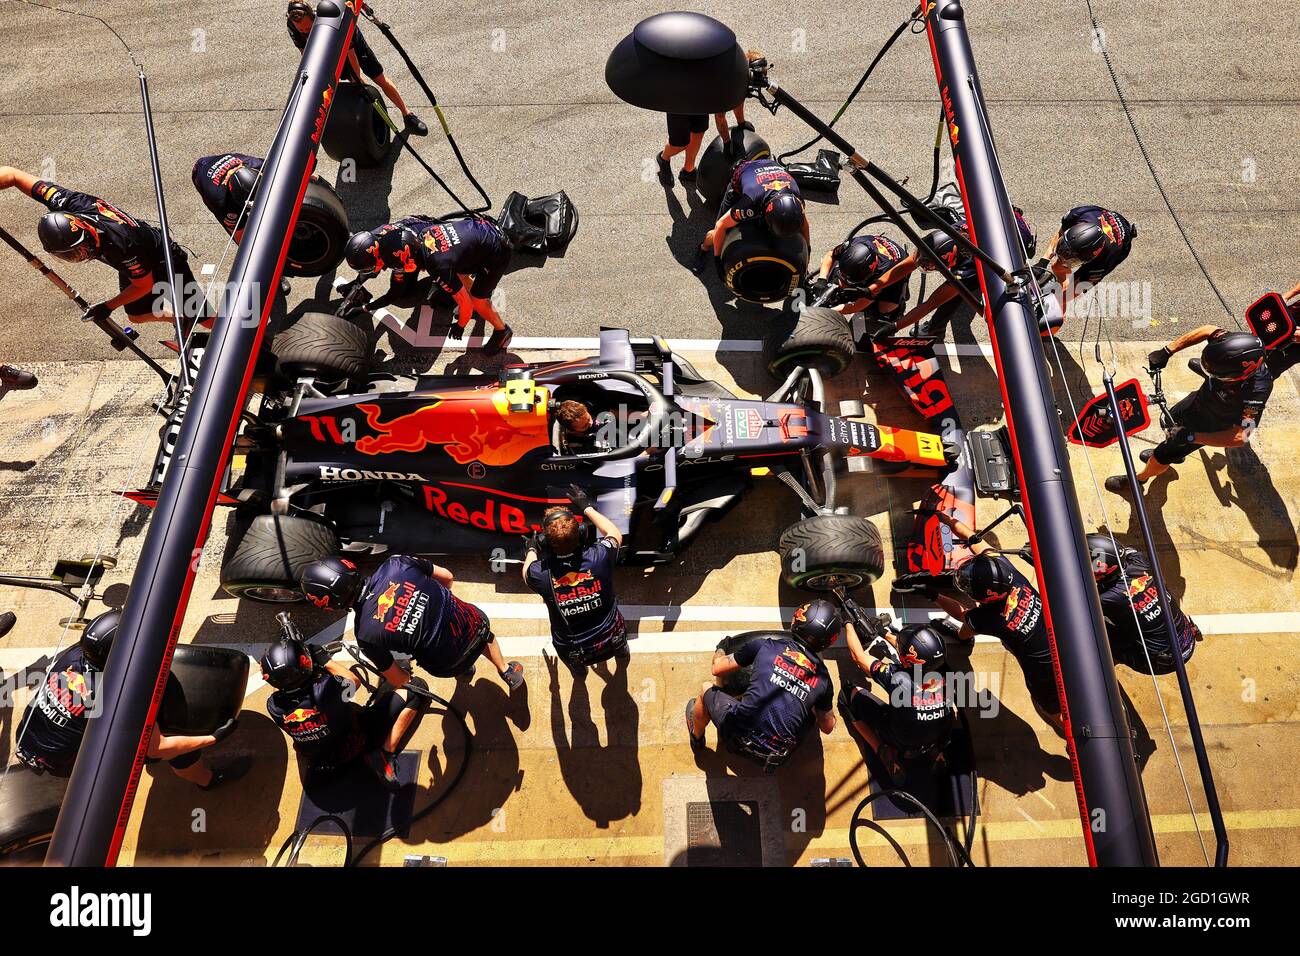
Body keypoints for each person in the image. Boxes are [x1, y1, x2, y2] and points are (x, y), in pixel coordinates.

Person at [15, 610, 248, 787]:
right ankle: (207, 780)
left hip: (31, 736)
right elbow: (157, 748)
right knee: (179, 746)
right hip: (68, 760)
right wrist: (212, 738)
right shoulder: (120, 695)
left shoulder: (76, 655)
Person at [0, 166, 210, 328]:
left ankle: (234, 337)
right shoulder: (68, 203)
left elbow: (143, 285)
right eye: (70, 255)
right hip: (132, 259)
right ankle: (181, 321)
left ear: (87, 230)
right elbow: (12, 175)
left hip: (161, 258)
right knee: (136, 316)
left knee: (202, 316)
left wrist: (108, 306)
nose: (80, 255)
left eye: (80, 249)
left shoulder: (123, 247)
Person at [300, 554, 525, 691]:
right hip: (474, 628)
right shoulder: (396, 564)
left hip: (447, 666)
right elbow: (447, 577)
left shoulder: (365, 636)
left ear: (330, 606)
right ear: (348, 566)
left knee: (439, 647)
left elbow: (401, 679)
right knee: (480, 629)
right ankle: (505, 670)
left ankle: (464, 671)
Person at [929, 513, 1065, 736]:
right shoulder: (1006, 570)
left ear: (987, 598)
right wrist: (947, 519)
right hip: (1059, 641)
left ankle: (1072, 736)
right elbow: (974, 539)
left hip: (1043, 670)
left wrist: (933, 595)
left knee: (1049, 706)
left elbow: (963, 615)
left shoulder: (992, 619)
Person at [262, 618, 427, 790]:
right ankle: (385, 754)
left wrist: (291, 672)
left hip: (322, 761)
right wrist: (321, 657)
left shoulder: (273, 706)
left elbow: (280, 687)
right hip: (354, 743)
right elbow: (353, 681)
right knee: (416, 687)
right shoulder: (325, 690)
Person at [1106, 328, 1270, 494]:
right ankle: (1172, 453)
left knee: (1163, 454)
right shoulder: (1231, 342)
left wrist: (1191, 437)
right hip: (1197, 401)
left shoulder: (1256, 392)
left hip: (1208, 426)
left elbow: (1240, 437)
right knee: (1169, 421)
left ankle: (1139, 479)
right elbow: (1207, 329)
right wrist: (1167, 351)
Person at [685, 600, 837, 771]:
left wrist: (721, 648)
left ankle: (696, 738)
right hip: (777, 758)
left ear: (798, 621)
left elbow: (717, 668)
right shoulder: (824, 679)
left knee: (706, 687)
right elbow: (827, 727)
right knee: (812, 712)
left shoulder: (766, 645)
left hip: (737, 738)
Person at [344, 215, 514, 353]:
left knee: (477, 300)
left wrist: (460, 326)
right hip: (479, 230)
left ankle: (502, 331)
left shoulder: (438, 266)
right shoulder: (418, 237)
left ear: (409, 264)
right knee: (458, 274)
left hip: (496, 251)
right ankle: (475, 291)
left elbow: (467, 306)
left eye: (397, 266)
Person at [522, 485, 626, 672]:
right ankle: (622, 654)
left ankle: (580, 673)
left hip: (574, 650)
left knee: (577, 670)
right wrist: (587, 507)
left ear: (545, 543)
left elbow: (526, 571)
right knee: (622, 651)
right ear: (583, 533)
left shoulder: (540, 574)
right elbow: (615, 534)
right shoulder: (600, 557)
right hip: (613, 637)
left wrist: (531, 548)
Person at [285, 1, 427, 136]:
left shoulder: (334, 21)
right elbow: (306, 52)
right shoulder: (292, 25)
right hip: (329, 50)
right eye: (301, 30)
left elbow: (350, 53)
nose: (305, 32)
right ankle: (375, 117)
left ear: (314, 18)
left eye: (309, 28)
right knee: (353, 87)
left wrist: (357, 78)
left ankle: (408, 115)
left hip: (353, 46)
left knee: (378, 78)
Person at [839, 615, 953, 776]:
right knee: (936, 720)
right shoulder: (947, 673)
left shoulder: (898, 679)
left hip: (902, 739)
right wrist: (883, 632)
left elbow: (859, 657)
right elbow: (911, 657)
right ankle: (938, 751)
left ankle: (882, 751)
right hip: (937, 735)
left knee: (847, 694)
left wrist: (848, 623)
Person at [1085, 533, 1198, 675]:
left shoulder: (1106, 598)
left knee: (1091, 626)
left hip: (1162, 662)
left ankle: (1111, 656)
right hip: (1186, 637)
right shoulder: (1141, 560)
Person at [692, 157, 808, 274]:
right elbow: (721, 225)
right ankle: (703, 248)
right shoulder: (749, 204)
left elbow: (804, 224)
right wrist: (717, 260)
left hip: (770, 170)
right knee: (721, 232)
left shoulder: (797, 201)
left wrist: (808, 248)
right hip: (745, 173)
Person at [1042, 205, 1136, 306]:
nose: (1063, 259)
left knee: (1060, 299)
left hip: (1121, 243)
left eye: (1073, 259)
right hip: (1099, 214)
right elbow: (1059, 234)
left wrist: (1052, 301)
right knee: (1058, 266)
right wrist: (1043, 261)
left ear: (1091, 258)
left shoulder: (1104, 261)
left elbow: (1074, 290)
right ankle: (1060, 281)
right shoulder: (1077, 215)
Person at [812, 233, 910, 325]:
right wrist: (822, 279)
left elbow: (858, 306)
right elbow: (830, 255)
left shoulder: (885, 272)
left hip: (898, 266)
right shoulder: (851, 244)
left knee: (886, 309)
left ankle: (897, 308)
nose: (843, 284)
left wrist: (829, 311)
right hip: (873, 246)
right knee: (833, 276)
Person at [191, 153, 263, 241]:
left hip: (228, 162)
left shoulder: (259, 165)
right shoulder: (221, 199)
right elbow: (241, 235)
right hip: (201, 172)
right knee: (239, 227)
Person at [657, 114, 708, 187]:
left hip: (701, 104)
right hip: (680, 104)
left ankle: (688, 170)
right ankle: (663, 158)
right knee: (679, 144)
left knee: (698, 132)